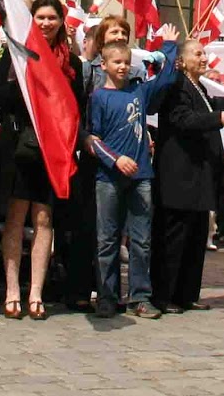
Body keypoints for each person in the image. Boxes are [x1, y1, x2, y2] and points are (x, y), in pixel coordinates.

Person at [0, 0, 85, 319]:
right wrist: (24, 76)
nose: (46, 23)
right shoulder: (13, 56)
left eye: (52, 18)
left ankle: (36, 293)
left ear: (61, 22)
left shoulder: (72, 64)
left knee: (44, 219)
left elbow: (76, 107)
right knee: (15, 217)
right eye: (40, 17)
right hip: (17, 145)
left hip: (51, 149)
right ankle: (12, 290)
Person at [150, 38, 224, 313]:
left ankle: (186, 293)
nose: (204, 58)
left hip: (199, 177)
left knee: (194, 238)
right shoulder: (175, 86)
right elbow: (184, 119)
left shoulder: (199, 87)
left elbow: (213, 103)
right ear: (181, 60)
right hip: (178, 177)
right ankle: (164, 295)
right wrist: (220, 118)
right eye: (198, 53)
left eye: (204, 53)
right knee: (173, 239)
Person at [88, 27, 181, 319]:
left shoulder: (139, 90)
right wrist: (115, 160)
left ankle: (140, 296)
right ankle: (107, 295)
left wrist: (168, 45)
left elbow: (167, 76)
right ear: (103, 65)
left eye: (127, 62)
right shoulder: (99, 97)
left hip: (141, 176)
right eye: (116, 62)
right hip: (109, 177)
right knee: (107, 240)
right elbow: (92, 139)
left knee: (141, 241)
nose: (123, 67)